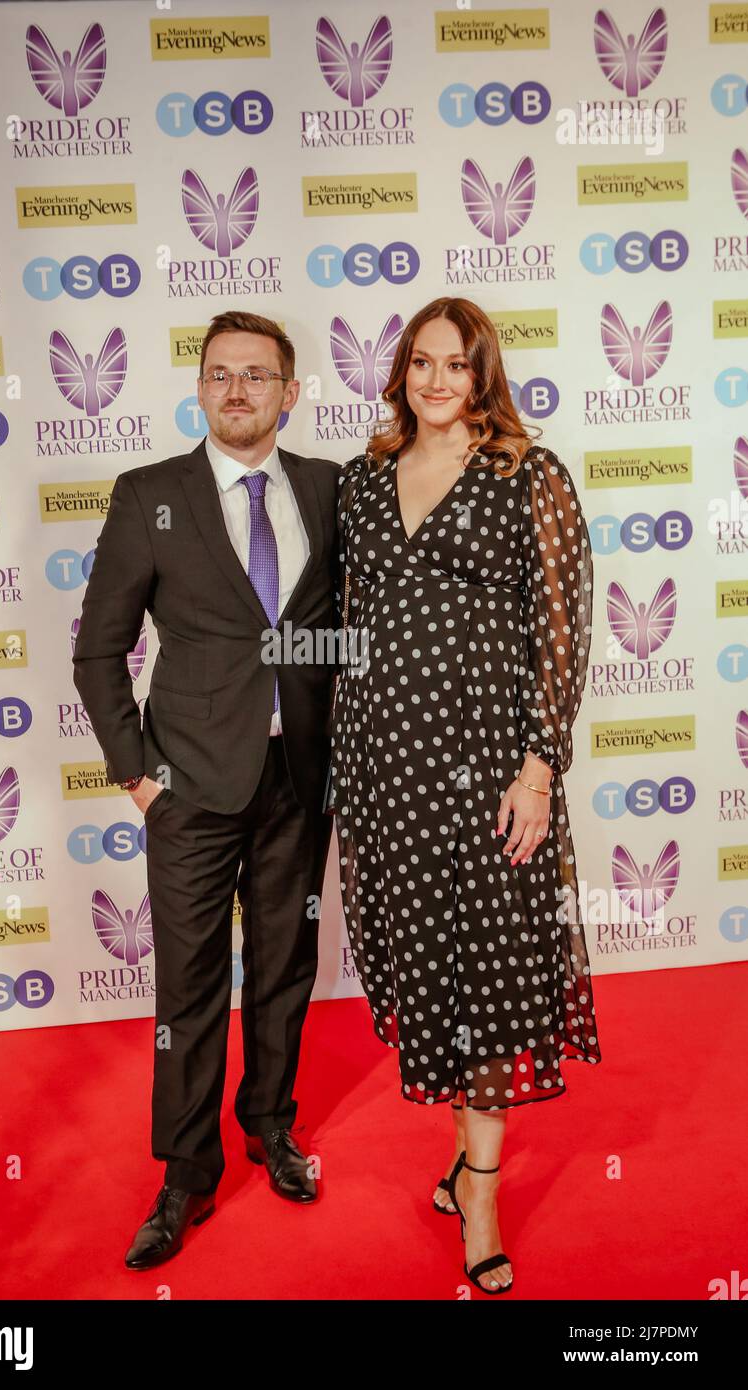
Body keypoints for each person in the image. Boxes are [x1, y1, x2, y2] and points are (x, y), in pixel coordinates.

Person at [330, 296, 601, 1294]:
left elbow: (561, 625)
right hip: (386, 770)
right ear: (399, 371)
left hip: (488, 769)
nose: (435, 379)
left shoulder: (524, 475)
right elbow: (342, 616)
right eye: (419, 362)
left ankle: (478, 1191)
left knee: (487, 977)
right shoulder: (361, 481)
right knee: (433, 970)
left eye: (456, 363)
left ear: (484, 375)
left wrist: (537, 768)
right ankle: (459, 1162)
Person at [73, 311, 339, 1269]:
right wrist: (139, 778)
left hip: (299, 779)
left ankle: (271, 1125)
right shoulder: (152, 494)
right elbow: (100, 649)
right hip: (188, 785)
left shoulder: (329, 490)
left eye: (257, 376)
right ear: (199, 390)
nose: (237, 391)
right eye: (220, 375)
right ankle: (187, 1171)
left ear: (289, 392)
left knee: (284, 969)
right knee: (187, 988)